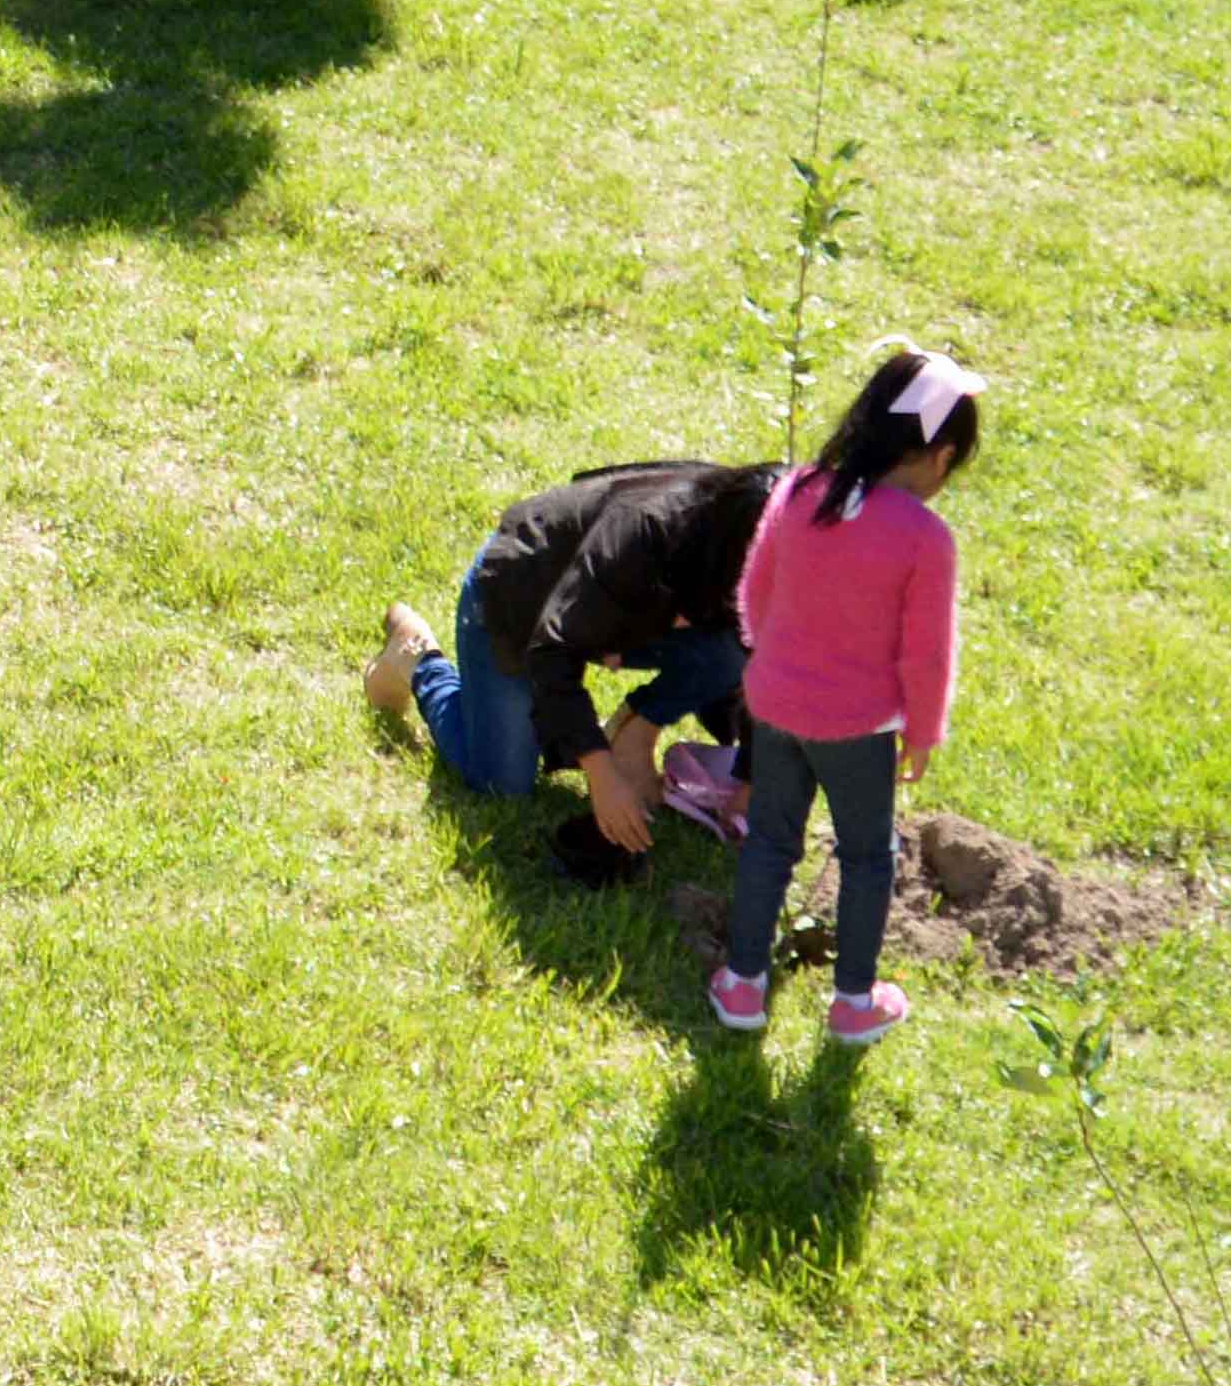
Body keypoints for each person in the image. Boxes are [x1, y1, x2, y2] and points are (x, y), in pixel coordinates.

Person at [711, 349, 986, 1049]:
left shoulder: (802, 491)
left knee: (771, 840)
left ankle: (744, 984)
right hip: (857, 729)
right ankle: (854, 1001)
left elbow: (755, 592)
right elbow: (925, 654)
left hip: (773, 706)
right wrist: (922, 731)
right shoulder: (924, 537)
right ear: (938, 456)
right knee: (868, 855)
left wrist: (775, 661)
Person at [362, 458, 778, 873]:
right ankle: (417, 659)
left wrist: (751, 784)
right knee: (501, 781)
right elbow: (553, 651)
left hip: (623, 614)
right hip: (521, 602)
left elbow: (778, 666)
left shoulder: (768, 556)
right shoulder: (641, 532)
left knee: (727, 652)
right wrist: (601, 772)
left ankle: (635, 733)